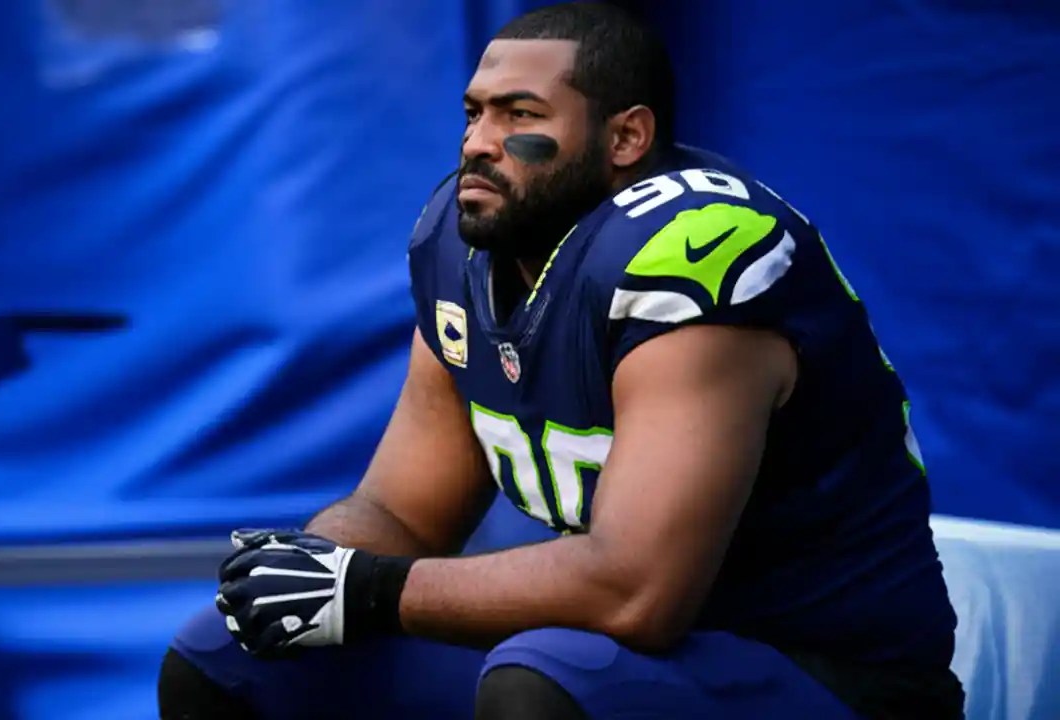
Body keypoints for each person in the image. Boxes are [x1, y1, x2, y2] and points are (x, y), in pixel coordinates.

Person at [158, 3, 965, 718]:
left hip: (828, 676)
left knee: (543, 677)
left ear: (626, 137)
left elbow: (635, 593)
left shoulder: (693, 256)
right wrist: (312, 568)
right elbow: (402, 515)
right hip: (622, 667)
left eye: (518, 114)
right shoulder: (467, 246)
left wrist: (366, 591)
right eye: (472, 113)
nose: (478, 143)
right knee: (228, 659)